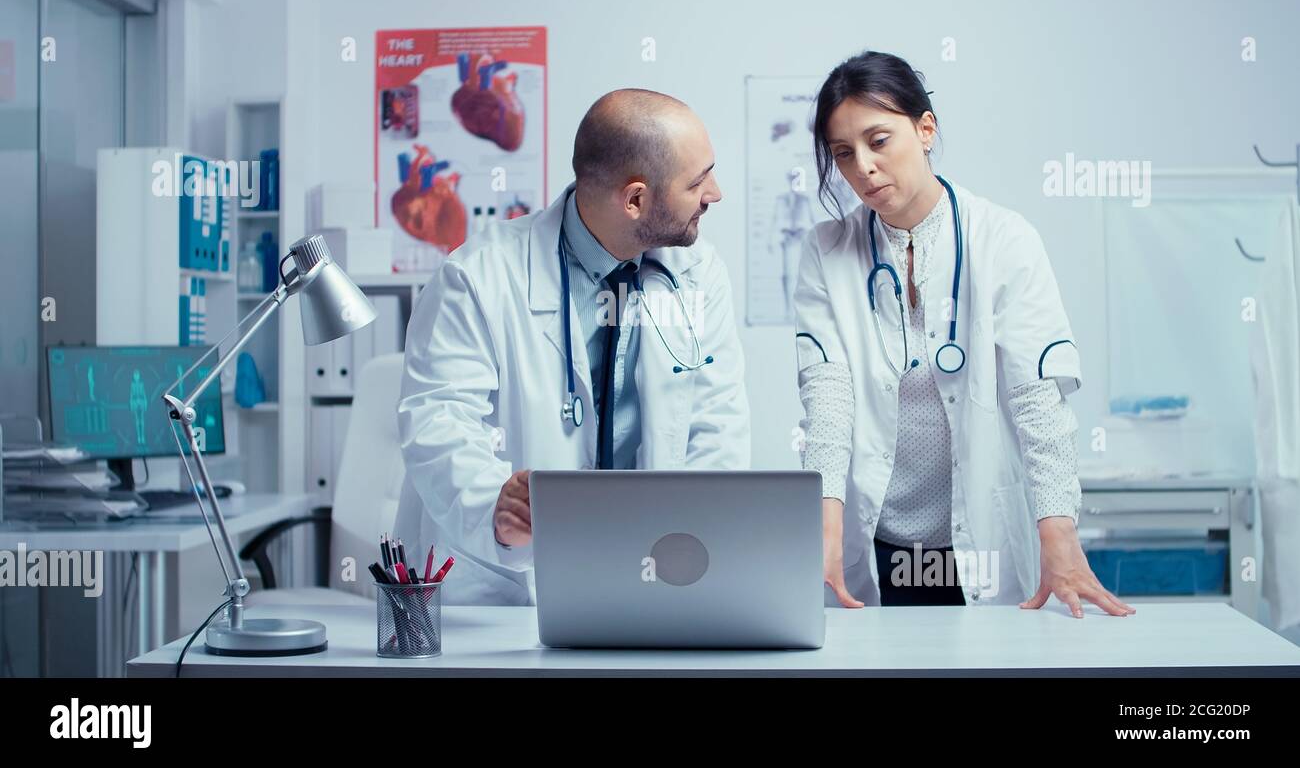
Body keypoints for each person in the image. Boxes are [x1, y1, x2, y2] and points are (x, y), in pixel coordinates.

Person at [795, 50, 1134, 616]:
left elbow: (1036, 399)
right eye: (843, 154)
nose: (863, 169)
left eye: (879, 141)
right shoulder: (827, 252)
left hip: (977, 539)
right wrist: (824, 533)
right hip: (878, 540)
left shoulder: (1004, 239)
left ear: (925, 129)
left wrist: (1059, 535)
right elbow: (827, 402)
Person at [394, 89, 750, 605]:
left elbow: (717, 428)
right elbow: (438, 422)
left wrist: (695, 553)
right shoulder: (476, 278)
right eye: (697, 181)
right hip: (508, 591)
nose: (713, 193)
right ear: (634, 200)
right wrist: (494, 504)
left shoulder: (697, 274)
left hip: (650, 574)